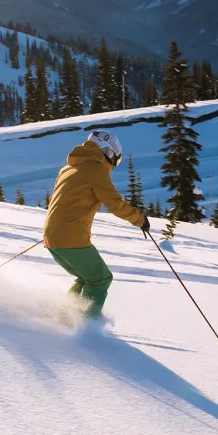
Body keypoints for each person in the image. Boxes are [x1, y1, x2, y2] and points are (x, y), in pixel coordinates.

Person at [43, 130, 148, 321]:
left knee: (85, 279)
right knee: (100, 279)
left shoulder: (68, 168)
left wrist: (56, 229)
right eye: (115, 159)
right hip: (70, 236)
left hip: (54, 236)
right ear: (108, 152)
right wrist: (140, 219)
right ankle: (85, 326)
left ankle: (65, 319)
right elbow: (115, 203)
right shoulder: (95, 169)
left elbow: (59, 200)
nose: (113, 164)